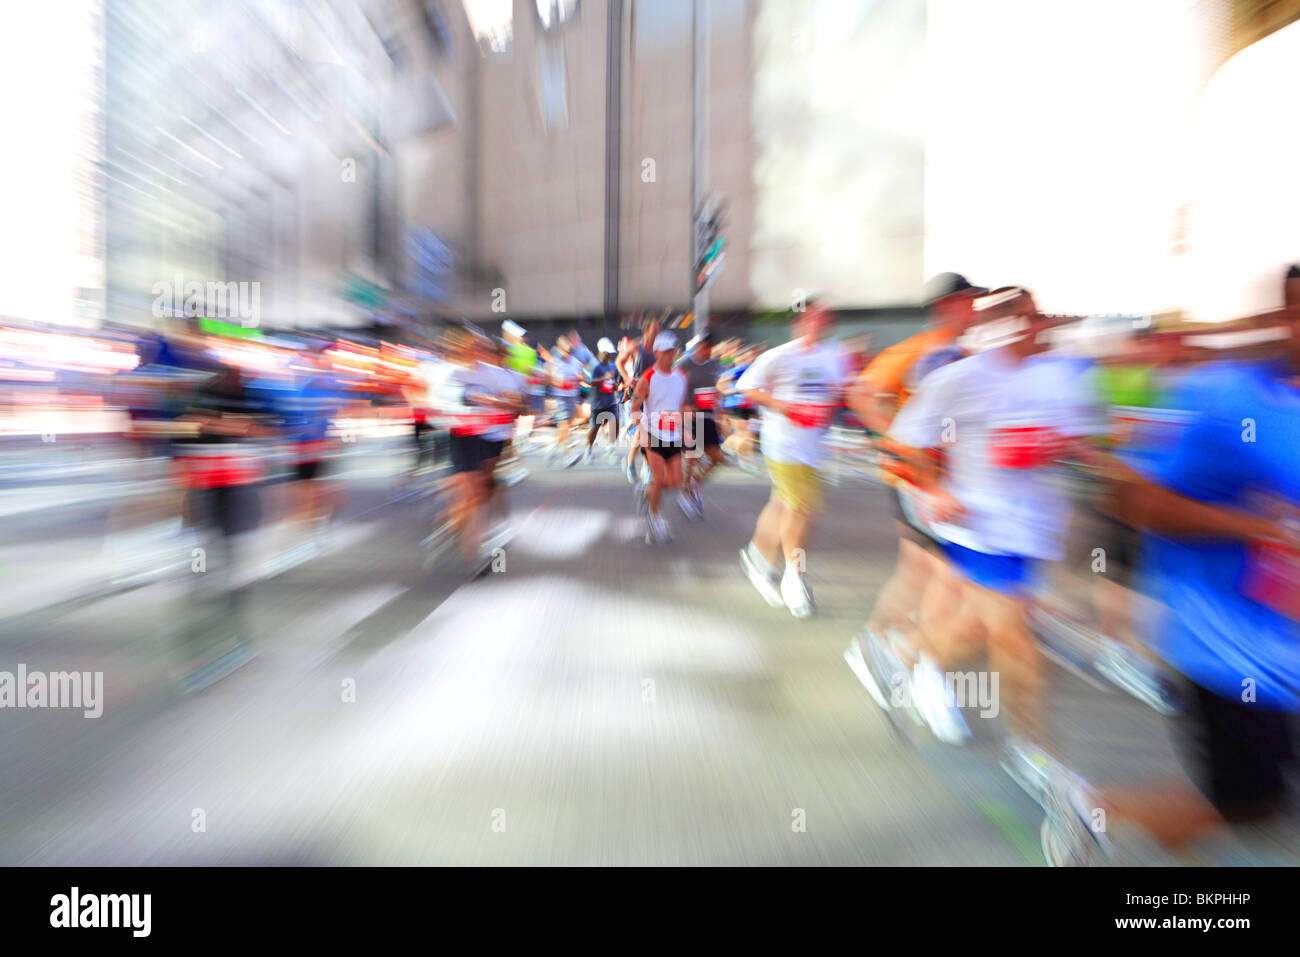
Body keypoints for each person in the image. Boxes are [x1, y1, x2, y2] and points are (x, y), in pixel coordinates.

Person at [736, 302, 850, 618]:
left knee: (785, 505)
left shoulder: (833, 356)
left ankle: (757, 557)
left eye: (824, 317)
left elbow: (837, 392)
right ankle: (794, 578)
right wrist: (785, 407)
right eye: (811, 317)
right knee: (800, 509)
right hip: (783, 444)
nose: (818, 322)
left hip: (813, 446)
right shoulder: (780, 355)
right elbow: (745, 385)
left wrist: (826, 408)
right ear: (799, 321)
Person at [629, 331, 689, 544]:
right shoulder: (647, 378)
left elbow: (680, 404)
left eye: (672, 352)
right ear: (656, 353)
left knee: (674, 482)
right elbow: (634, 407)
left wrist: (686, 425)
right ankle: (654, 518)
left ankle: (646, 492)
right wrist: (642, 432)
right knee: (660, 479)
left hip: (674, 435)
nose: (669, 356)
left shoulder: (681, 377)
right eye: (665, 352)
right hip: (653, 435)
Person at [679, 330, 725, 519]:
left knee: (717, 458)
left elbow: (715, 389)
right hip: (689, 418)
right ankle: (685, 493)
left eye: (710, 347)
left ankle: (695, 482)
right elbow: (673, 388)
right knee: (691, 457)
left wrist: (719, 409)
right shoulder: (685, 365)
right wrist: (682, 406)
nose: (708, 350)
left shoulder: (713, 364)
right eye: (705, 346)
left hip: (707, 417)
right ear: (698, 346)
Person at [585, 337, 622, 462]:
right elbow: (591, 382)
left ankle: (610, 449)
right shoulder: (595, 366)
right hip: (598, 403)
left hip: (610, 401)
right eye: (607, 353)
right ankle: (588, 450)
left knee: (616, 423)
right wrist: (604, 378)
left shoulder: (613, 366)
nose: (609, 356)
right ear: (601, 352)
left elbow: (614, 381)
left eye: (610, 354)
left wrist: (616, 385)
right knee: (595, 427)